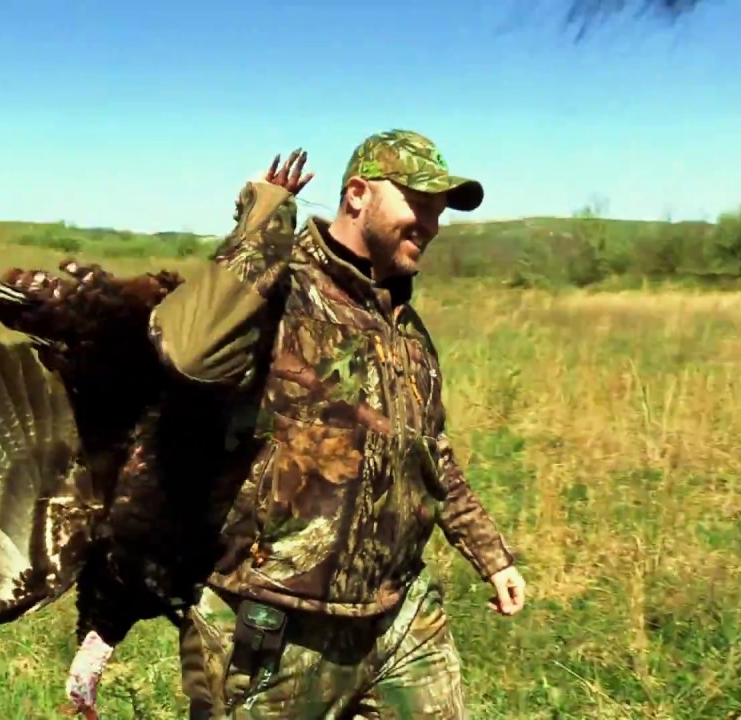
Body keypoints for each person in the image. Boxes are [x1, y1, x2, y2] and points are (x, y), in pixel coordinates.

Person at [131, 129, 527, 719]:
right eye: (418, 203)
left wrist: (491, 555)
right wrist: (263, 215)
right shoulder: (281, 290)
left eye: (439, 213)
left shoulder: (407, 331)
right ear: (358, 194)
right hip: (277, 627)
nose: (432, 225)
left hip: (400, 618)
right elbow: (187, 348)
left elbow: (430, 452)